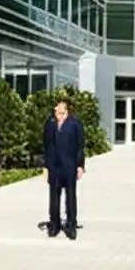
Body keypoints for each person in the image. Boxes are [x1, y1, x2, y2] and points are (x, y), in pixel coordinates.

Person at [42, 97, 85, 239]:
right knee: (54, 196)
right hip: (54, 166)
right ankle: (54, 224)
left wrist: (80, 165)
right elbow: (46, 146)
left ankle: (71, 225)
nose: (56, 110)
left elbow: (80, 146)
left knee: (70, 196)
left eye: (59, 108)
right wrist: (46, 166)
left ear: (66, 110)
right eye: (56, 108)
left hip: (69, 166)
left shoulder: (75, 124)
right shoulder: (50, 123)